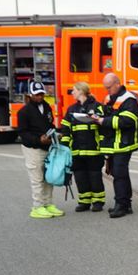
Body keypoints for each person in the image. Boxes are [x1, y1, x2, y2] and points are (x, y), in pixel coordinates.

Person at [94, 73, 138, 217]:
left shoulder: (129, 100)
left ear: (117, 83)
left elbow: (126, 122)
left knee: (120, 174)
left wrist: (103, 121)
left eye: (109, 87)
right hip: (113, 143)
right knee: (118, 173)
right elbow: (106, 114)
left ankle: (121, 205)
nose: (107, 90)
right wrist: (96, 116)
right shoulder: (110, 98)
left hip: (124, 143)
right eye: (105, 88)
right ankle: (126, 204)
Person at [17, 81, 63, 219]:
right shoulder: (23, 112)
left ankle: (48, 203)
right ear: (30, 95)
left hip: (48, 147)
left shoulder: (47, 106)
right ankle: (37, 207)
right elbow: (23, 133)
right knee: (37, 179)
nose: (40, 97)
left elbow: (50, 124)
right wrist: (38, 140)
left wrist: (55, 134)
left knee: (48, 178)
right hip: (33, 149)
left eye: (42, 94)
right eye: (37, 95)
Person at [59, 82, 105, 212]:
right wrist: (65, 147)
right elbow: (66, 129)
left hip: (93, 150)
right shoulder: (71, 109)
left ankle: (98, 201)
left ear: (81, 91)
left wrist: (102, 146)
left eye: (73, 90)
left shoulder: (97, 107)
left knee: (95, 176)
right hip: (77, 150)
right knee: (80, 176)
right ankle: (84, 201)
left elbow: (104, 126)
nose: (72, 92)